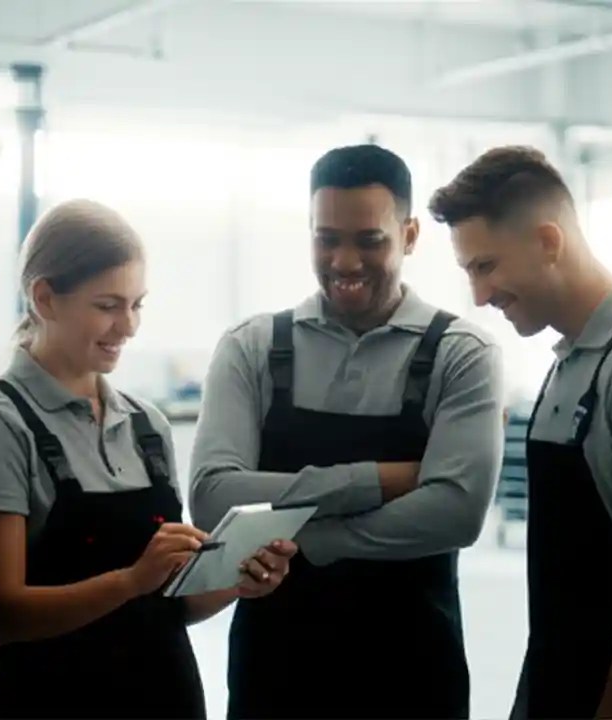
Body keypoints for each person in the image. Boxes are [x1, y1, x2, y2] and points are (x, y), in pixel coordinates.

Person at [0, 198, 298, 720]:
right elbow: (5, 615)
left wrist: (236, 582)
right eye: (108, 306)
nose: (128, 326)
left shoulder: (147, 425)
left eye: (137, 304)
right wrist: (130, 580)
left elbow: (169, 602)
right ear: (45, 297)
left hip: (164, 697)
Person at [189, 144, 506, 719]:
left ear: (409, 236)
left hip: (413, 675)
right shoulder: (252, 347)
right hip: (275, 674)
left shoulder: (462, 354)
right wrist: (383, 481)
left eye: (369, 240)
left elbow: (457, 512)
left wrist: (306, 538)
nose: (344, 262)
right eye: (326, 238)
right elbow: (212, 497)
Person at [429, 145, 612, 720]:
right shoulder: (572, 363)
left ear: (548, 241)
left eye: (485, 266)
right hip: (560, 688)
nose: (479, 296)